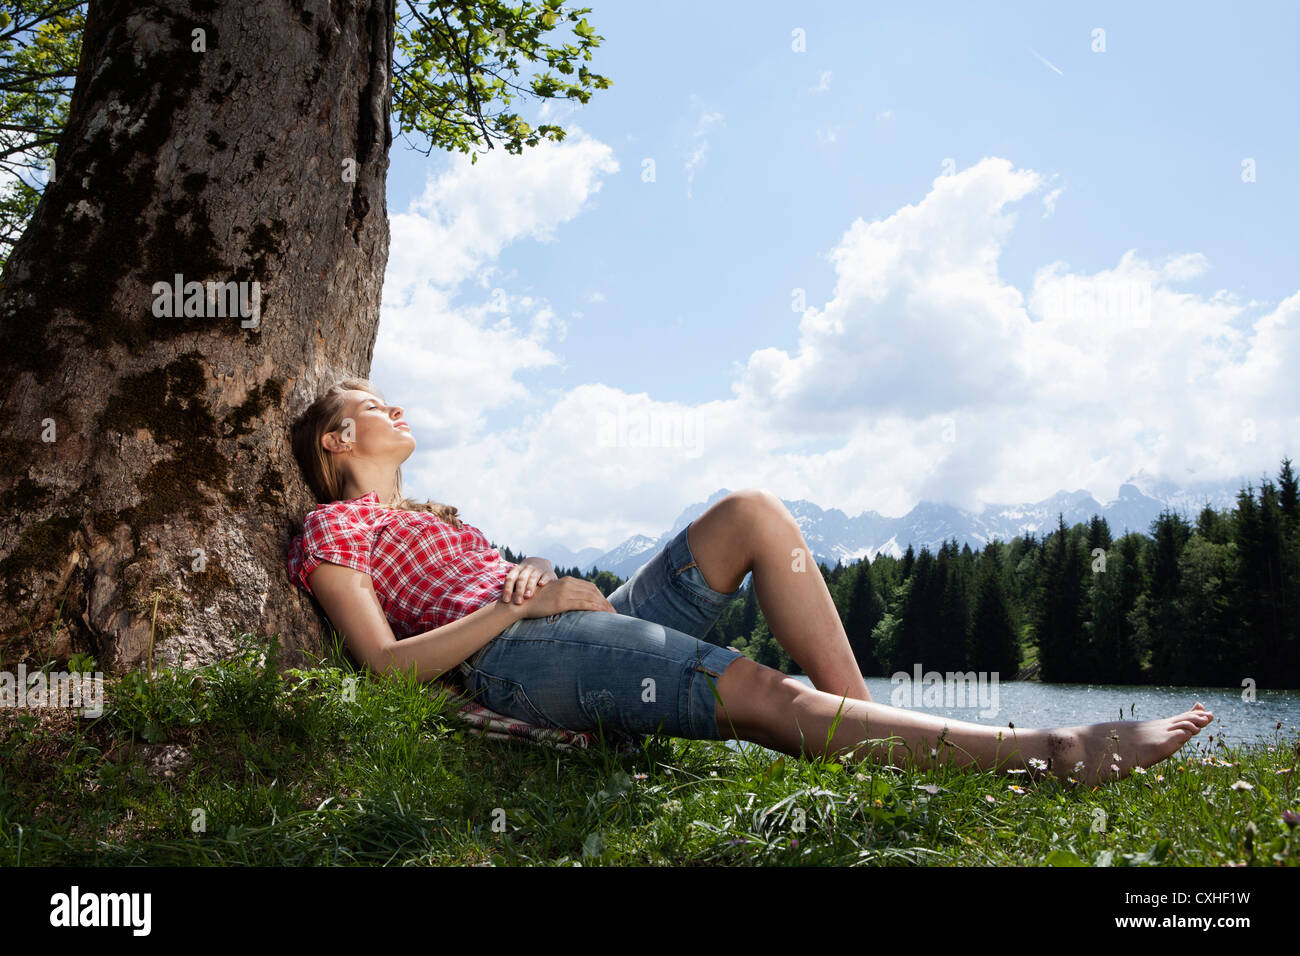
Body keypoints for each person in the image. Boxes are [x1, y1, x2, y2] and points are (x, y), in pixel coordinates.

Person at [286, 378, 1214, 786]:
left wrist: (532, 573)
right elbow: (385, 668)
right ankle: (1060, 750)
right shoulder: (334, 529)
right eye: (373, 406)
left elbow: (514, 584)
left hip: (570, 619)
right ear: (337, 440)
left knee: (755, 513)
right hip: (516, 656)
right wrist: (511, 602)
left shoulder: (441, 519)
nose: (395, 409)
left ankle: (869, 748)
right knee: (763, 694)